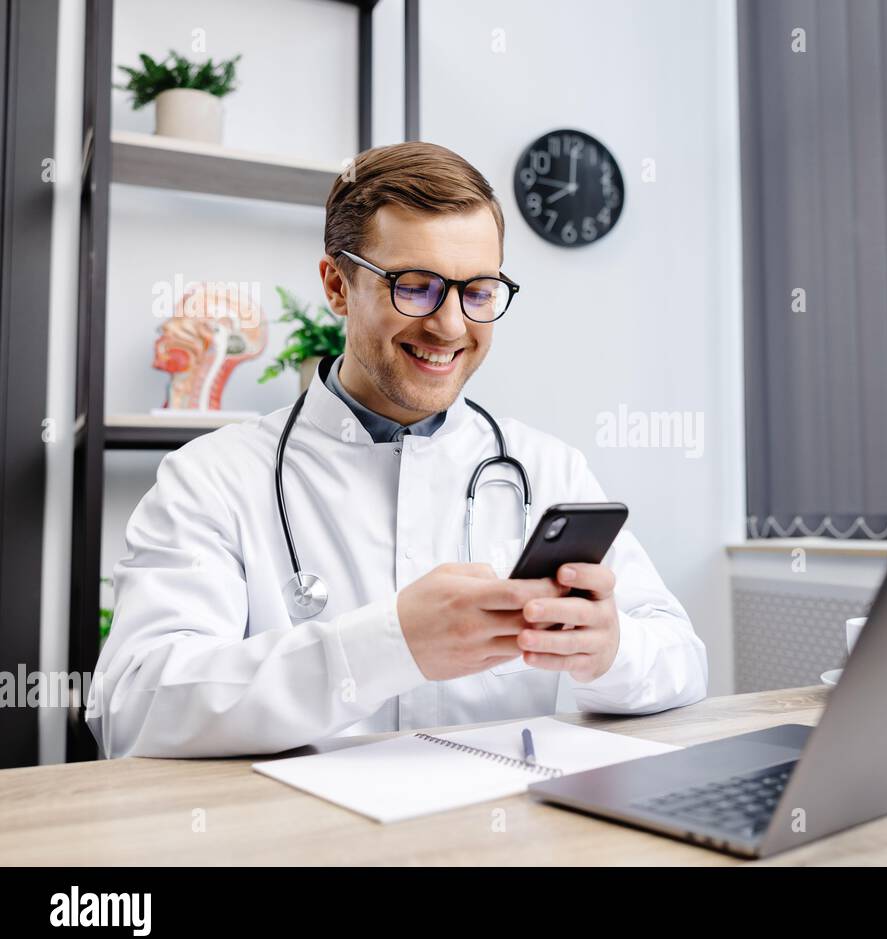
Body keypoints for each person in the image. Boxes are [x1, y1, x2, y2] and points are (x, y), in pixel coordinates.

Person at [88, 142, 708, 758]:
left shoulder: (548, 469)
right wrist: (390, 644)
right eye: (416, 287)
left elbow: (683, 660)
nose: (450, 326)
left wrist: (610, 651)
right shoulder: (212, 478)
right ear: (337, 284)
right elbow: (133, 706)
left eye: (480, 291)